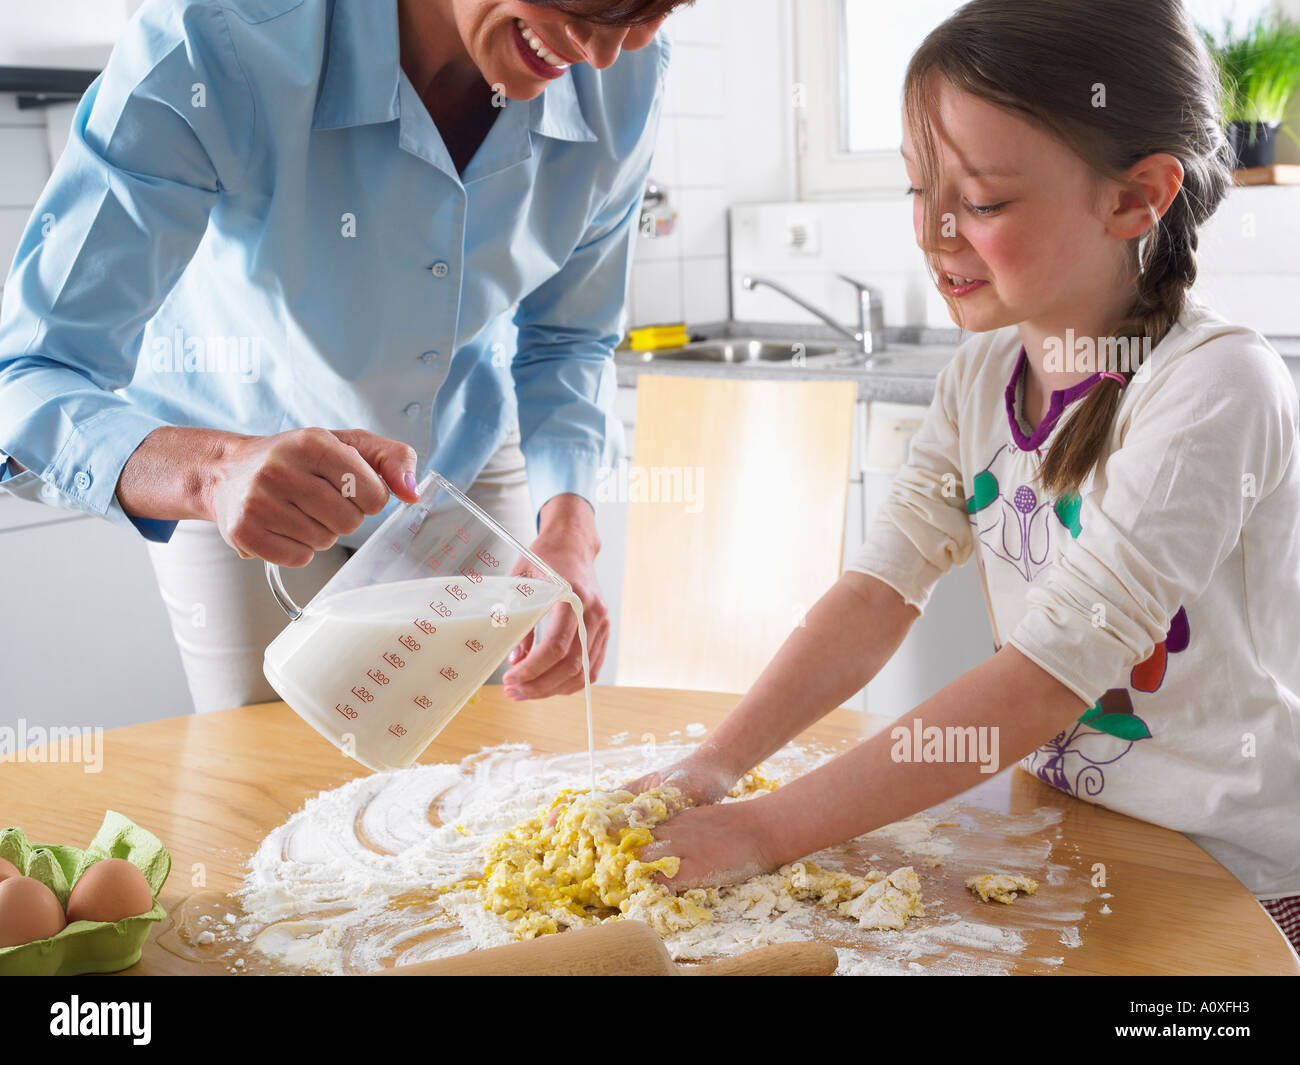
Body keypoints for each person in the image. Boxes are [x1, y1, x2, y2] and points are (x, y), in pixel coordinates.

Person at [631, 0, 1300, 955]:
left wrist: (761, 831)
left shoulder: (1213, 385)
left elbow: (1043, 681)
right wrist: (714, 767)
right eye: (918, 190)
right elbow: (875, 590)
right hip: (1070, 840)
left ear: (1133, 197)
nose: (933, 233)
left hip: (1240, 880)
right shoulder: (982, 376)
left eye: (982, 203)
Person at [0, 0, 686, 713]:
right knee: (270, 790)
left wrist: (570, 527)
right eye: (586, 5)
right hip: (236, 463)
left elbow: (567, 338)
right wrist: (213, 473)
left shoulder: (627, 77)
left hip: (462, 461)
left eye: (651, 13)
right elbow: (25, 378)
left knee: (498, 772)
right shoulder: (214, 39)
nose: (603, 55)